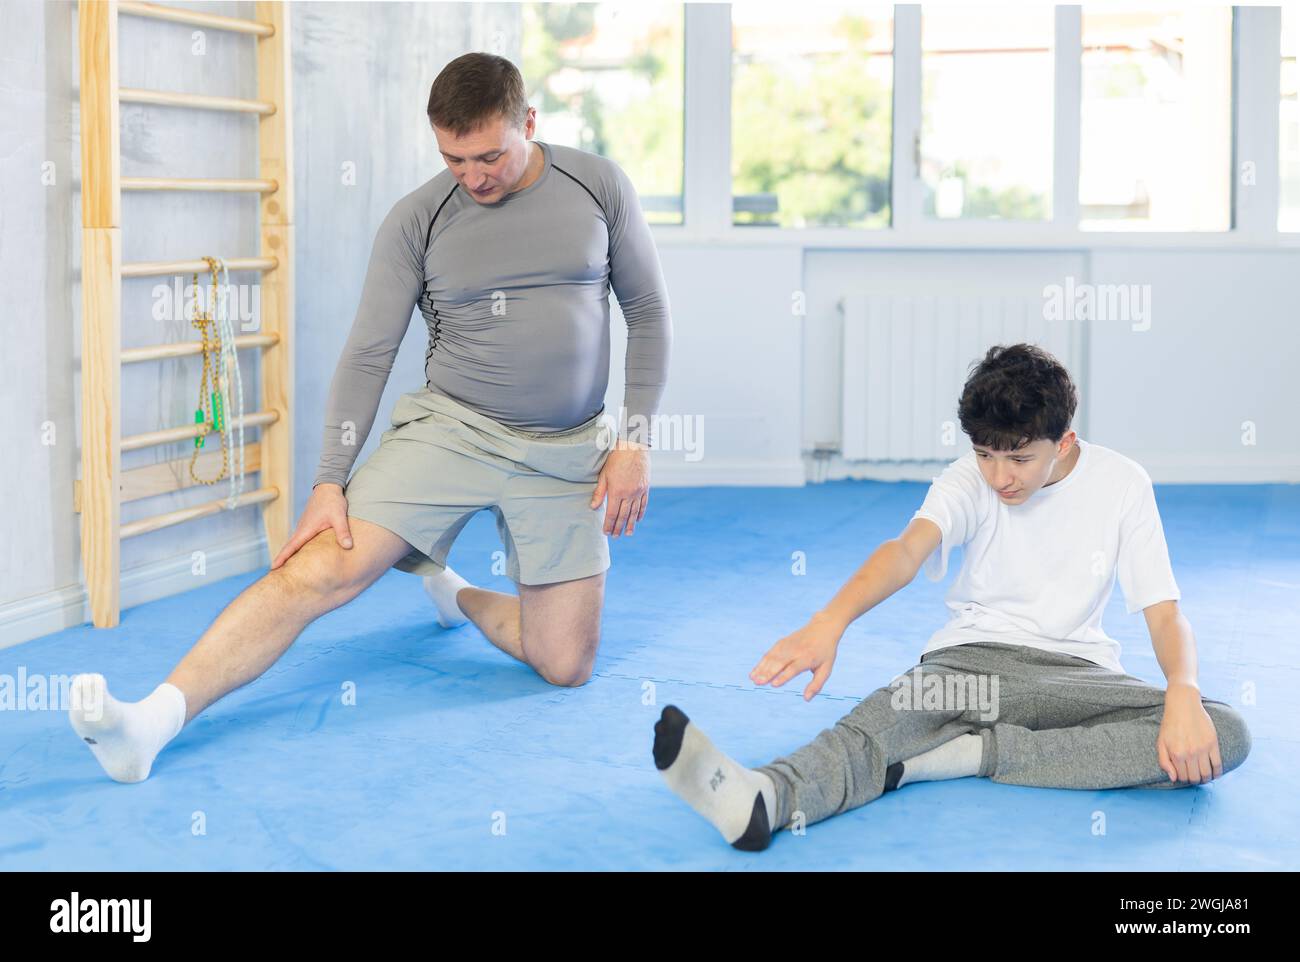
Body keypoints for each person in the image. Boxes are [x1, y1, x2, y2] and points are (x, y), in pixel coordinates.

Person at [69, 52, 671, 783]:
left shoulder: (597, 184)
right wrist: (329, 482)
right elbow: (368, 354)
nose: (474, 176)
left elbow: (647, 312)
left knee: (565, 664)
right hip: (453, 430)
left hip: (568, 448)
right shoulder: (418, 219)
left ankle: (456, 591)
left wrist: (634, 441)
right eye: (454, 158)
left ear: (529, 124)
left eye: (490, 156)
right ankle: (150, 722)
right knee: (317, 571)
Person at [653, 343, 1250, 851]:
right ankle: (767, 796)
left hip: (1078, 678)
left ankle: (970, 755)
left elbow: (1164, 610)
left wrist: (1182, 693)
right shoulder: (970, 478)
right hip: (968, 666)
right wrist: (828, 621)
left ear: (1064, 441)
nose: (999, 476)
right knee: (869, 731)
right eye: (986, 454)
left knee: (1223, 733)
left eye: (1019, 457)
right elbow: (907, 551)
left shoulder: (1123, 483)